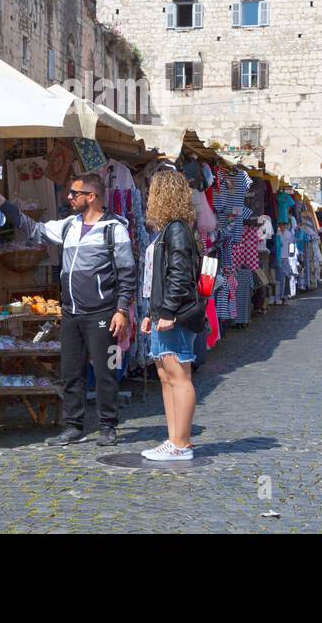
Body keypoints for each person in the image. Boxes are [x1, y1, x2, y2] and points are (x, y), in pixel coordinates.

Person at [0, 173, 136, 446]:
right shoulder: (69, 225)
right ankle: (73, 426)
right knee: (71, 372)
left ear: (91, 197)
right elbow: (35, 229)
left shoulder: (114, 229)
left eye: (74, 193)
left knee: (105, 371)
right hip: (71, 312)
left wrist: (121, 310)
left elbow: (127, 272)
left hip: (102, 312)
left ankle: (107, 425)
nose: (69, 197)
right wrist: (4, 205)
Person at [139, 170, 205, 461]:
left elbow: (179, 274)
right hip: (163, 313)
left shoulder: (176, 229)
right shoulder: (169, 229)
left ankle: (182, 443)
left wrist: (166, 311)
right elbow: (161, 276)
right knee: (166, 376)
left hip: (175, 314)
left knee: (179, 375)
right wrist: (152, 313)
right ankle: (174, 439)